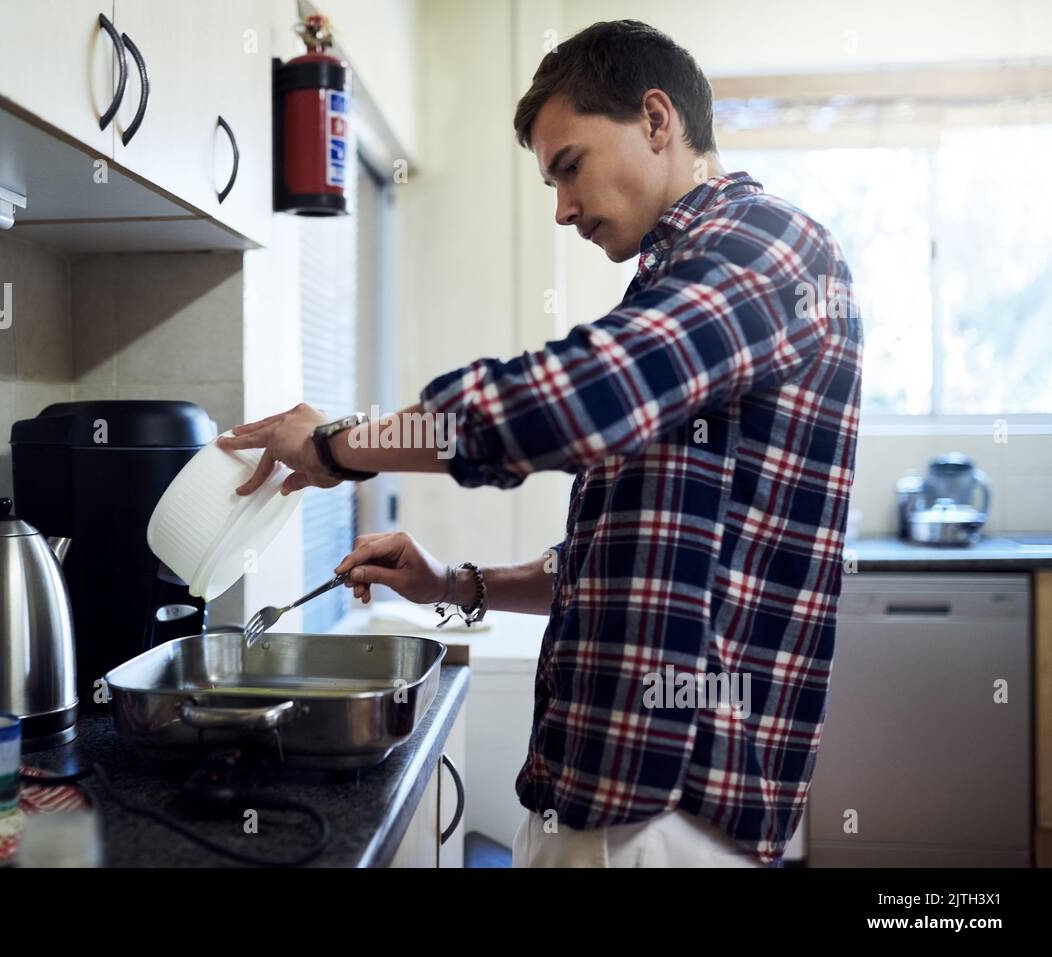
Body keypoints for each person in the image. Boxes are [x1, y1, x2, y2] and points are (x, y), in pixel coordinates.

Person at [219, 19, 861, 867]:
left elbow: (568, 400)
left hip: (666, 818)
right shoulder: (684, 286)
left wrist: (339, 446)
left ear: (657, 119)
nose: (561, 209)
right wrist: (455, 581)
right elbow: (630, 569)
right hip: (614, 801)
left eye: (569, 167)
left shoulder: (768, 247)